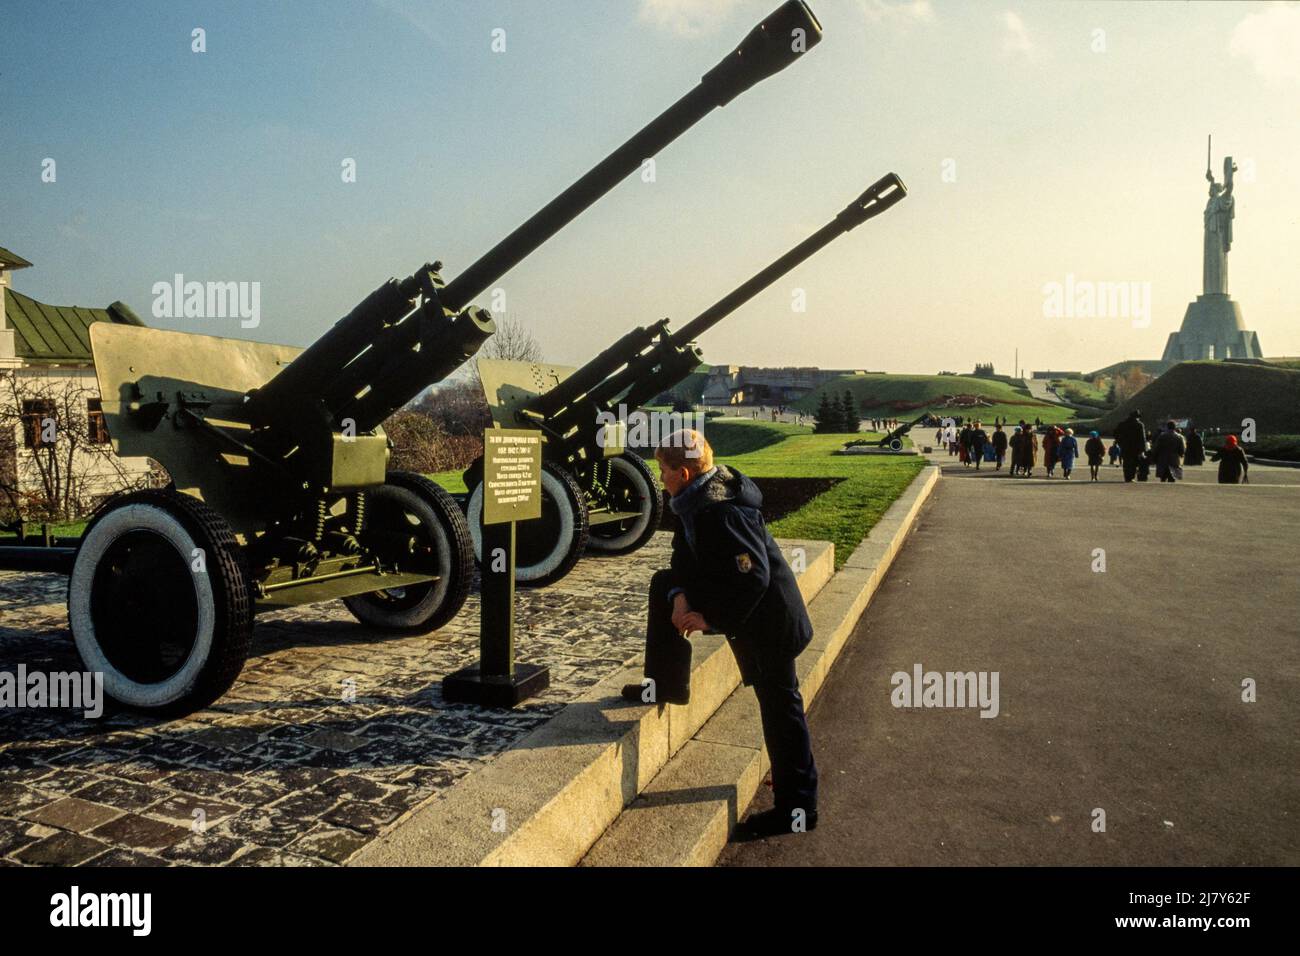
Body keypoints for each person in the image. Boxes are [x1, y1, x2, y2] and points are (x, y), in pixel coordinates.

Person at [622, 430, 817, 837]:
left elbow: (755, 578)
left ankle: (797, 809)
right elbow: (681, 553)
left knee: (782, 711)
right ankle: (664, 684)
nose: (661, 479)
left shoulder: (725, 512)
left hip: (769, 625)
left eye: (665, 471)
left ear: (686, 473)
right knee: (662, 583)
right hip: (751, 613)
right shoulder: (695, 500)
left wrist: (710, 620)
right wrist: (678, 596)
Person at [1114, 409, 1147, 482]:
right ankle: (1131, 477)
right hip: (1136, 448)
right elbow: (1142, 438)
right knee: (1134, 463)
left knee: (1126, 462)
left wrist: (1120, 442)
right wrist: (1143, 450)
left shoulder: (1122, 424)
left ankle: (1127, 477)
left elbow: (1115, 434)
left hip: (1125, 446)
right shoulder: (1139, 425)